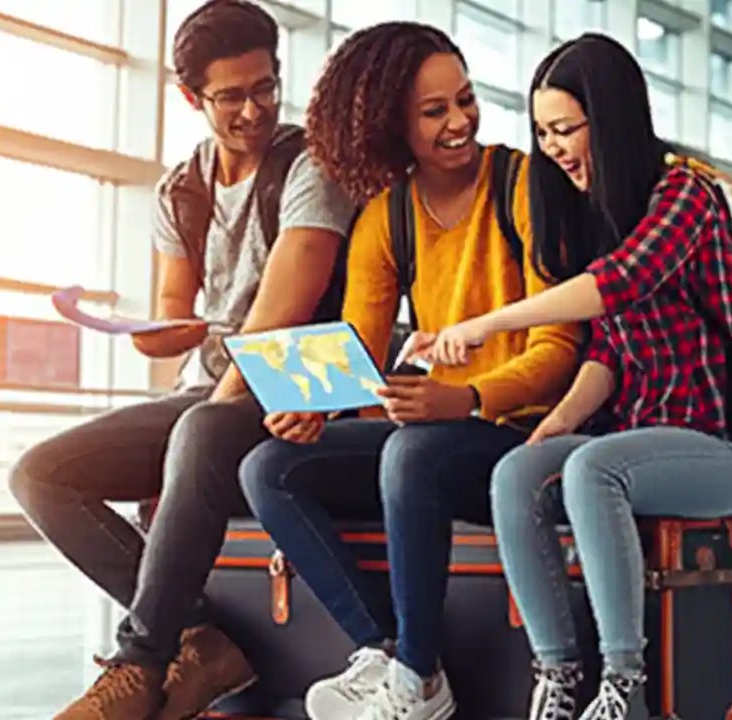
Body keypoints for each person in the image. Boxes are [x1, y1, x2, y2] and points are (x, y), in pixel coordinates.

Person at [7, 2, 355, 718]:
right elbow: (173, 310)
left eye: (266, 87)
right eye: (232, 97)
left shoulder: (310, 167)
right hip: (207, 388)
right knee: (39, 475)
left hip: (297, 378)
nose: (255, 110)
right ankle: (200, 635)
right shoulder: (183, 187)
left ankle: (140, 661)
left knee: (198, 430)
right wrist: (153, 333)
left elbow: (275, 320)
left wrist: (211, 407)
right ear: (192, 98)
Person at [410, 33, 732, 720]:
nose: (553, 148)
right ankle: (560, 677)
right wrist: (558, 422)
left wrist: (485, 324)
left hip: (719, 447)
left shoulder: (687, 194)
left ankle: (622, 685)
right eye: (542, 132)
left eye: (566, 129)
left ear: (614, 118)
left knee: (592, 470)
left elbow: (618, 286)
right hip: (636, 439)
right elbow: (608, 351)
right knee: (521, 471)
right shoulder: (599, 214)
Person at [238, 22, 582, 720]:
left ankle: (418, 681)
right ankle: (393, 653)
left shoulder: (522, 185)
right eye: (435, 112)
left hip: (522, 436)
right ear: (391, 123)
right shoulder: (385, 216)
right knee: (268, 468)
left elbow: (560, 350)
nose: (460, 122)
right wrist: (317, 404)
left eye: (466, 99)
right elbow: (358, 358)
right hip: (437, 436)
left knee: (412, 452)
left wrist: (467, 397)